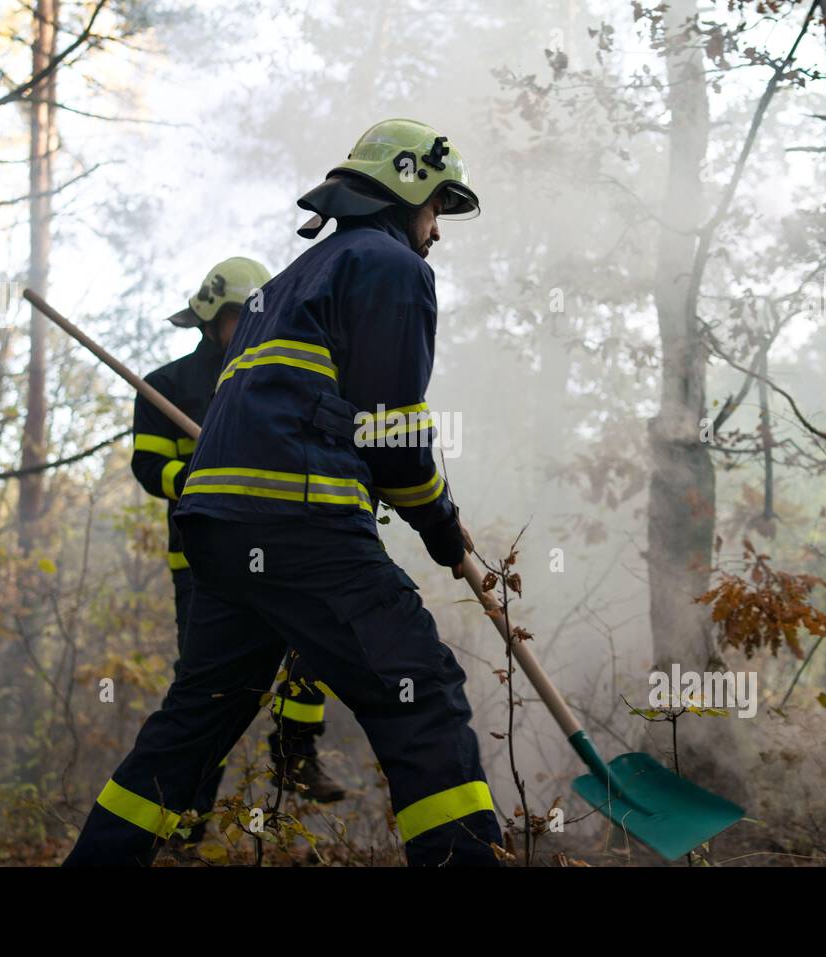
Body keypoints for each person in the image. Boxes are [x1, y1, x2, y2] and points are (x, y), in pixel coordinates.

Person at [66, 119, 500, 867]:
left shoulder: (288, 280)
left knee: (198, 719)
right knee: (418, 692)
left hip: (219, 533)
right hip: (300, 525)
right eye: (437, 209)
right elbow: (391, 434)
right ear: (409, 191)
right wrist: (439, 520)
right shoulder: (390, 268)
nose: (437, 232)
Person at [128, 258, 346, 840]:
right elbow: (150, 469)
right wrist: (204, 471)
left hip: (280, 550)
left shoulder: (278, 378)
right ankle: (185, 827)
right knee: (209, 697)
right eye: (239, 315)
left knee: (311, 648)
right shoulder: (166, 387)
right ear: (209, 318)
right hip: (203, 565)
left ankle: (296, 754)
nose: (252, 323)